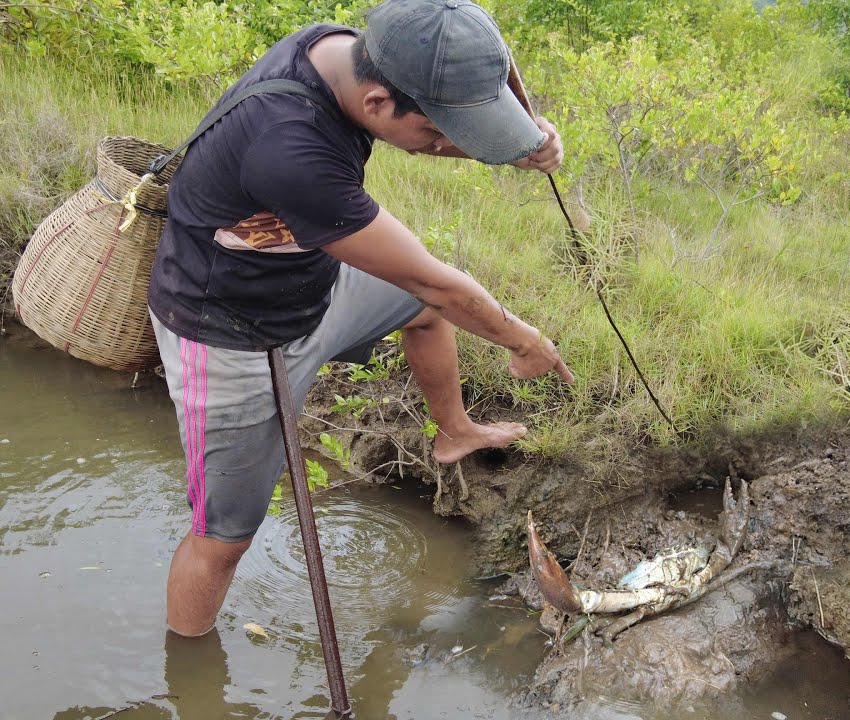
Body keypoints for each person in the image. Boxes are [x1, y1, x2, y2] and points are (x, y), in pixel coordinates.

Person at [146, 0, 573, 637]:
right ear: (376, 104)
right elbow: (428, 275)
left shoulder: (345, 51)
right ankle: (190, 665)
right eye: (436, 133)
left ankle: (453, 431)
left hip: (309, 286)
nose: (441, 146)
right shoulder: (288, 144)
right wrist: (523, 340)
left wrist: (514, 141)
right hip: (225, 333)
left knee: (425, 312)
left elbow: (462, 91)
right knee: (224, 539)